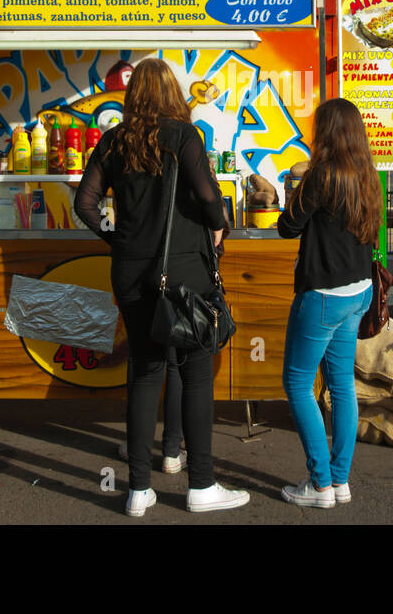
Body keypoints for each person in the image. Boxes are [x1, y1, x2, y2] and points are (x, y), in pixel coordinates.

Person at [74, 58, 248, 517]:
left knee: (144, 371)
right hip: (183, 270)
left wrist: (115, 238)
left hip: (129, 271)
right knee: (194, 372)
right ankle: (202, 486)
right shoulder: (184, 136)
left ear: (132, 98)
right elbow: (210, 196)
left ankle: (138, 490)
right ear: (173, 93)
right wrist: (219, 227)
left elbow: (84, 202)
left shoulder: (114, 140)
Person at [276, 98, 382, 508]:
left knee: (298, 385)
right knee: (341, 386)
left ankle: (319, 485)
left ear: (327, 131)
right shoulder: (367, 174)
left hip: (322, 295)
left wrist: (293, 188)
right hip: (359, 291)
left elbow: (288, 227)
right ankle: (339, 481)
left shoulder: (320, 176)